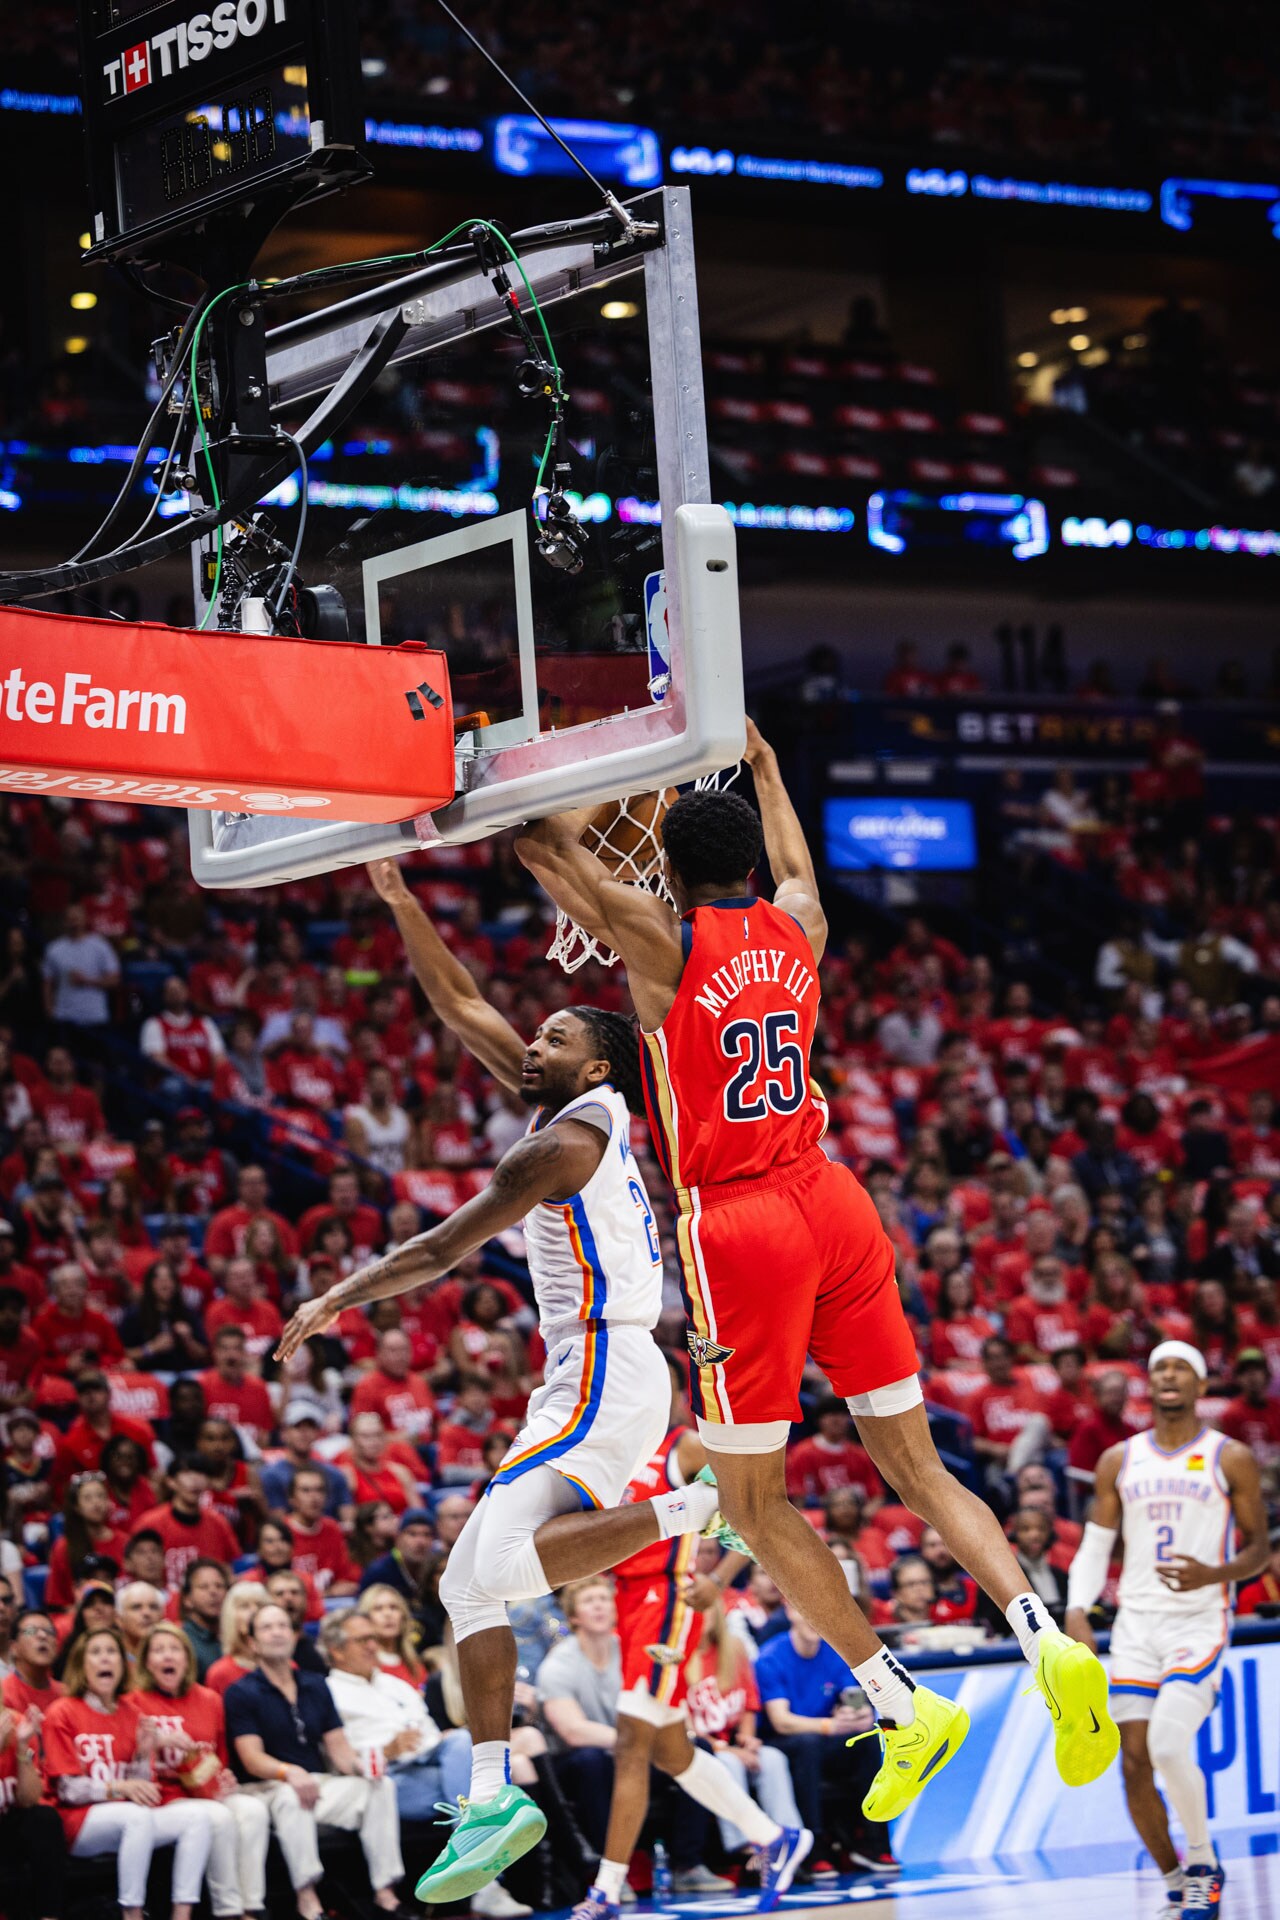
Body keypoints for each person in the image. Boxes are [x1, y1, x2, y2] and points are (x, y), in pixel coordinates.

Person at [515, 719, 1118, 1809]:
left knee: (750, 1500)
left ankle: (899, 1700)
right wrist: (767, 765)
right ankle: (1042, 1638)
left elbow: (548, 854)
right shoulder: (798, 924)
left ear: (670, 867)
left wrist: (503, 775)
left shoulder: (662, 943)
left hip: (741, 1222)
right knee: (918, 1467)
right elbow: (795, 863)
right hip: (832, 1197)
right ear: (745, 858)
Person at [277, 864, 741, 1904]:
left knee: (505, 1567)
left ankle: (698, 1505)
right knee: (463, 1584)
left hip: (605, 1370)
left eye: (558, 1038)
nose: (532, 1044)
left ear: (600, 1065)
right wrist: (401, 901)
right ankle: (490, 1794)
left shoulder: (567, 1142)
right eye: (535, 1037)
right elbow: (464, 1007)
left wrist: (332, 1302)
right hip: (594, 1372)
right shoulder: (572, 1112)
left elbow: (442, 1250)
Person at [574, 1367, 805, 1919]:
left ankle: (605, 1890)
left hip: (665, 1601)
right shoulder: (605, 1453)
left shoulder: (684, 1445)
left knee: (631, 1743)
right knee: (670, 1751)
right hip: (626, 1600)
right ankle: (772, 1836)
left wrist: (719, 1580)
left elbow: (760, 1501)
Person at [1065, 1341, 1270, 1915]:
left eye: (1182, 1368)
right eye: (1159, 1369)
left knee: (1166, 1743)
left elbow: (1259, 1549)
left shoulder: (1230, 1457)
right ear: (1147, 1387)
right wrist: (1078, 1608)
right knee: (1133, 1761)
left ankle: (1204, 1861)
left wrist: (1217, 1573)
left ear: (1202, 1387)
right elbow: (1094, 1546)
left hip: (1200, 1620)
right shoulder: (1119, 1459)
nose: (1169, 1376)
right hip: (1135, 1624)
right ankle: (1177, 1880)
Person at [224, 1603, 406, 1920]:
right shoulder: (241, 1692)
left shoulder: (315, 1684)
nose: (277, 1632)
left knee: (380, 1786)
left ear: (295, 1636)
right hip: (266, 1787)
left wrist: (362, 1767)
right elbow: (251, 1759)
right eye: (267, 1627)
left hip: (316, 1783)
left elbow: (339, 1749)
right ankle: (307, 1897)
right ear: (252, 1642)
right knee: (293, 1795)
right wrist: (288, 1771)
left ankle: (385, 1892)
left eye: (283, 1625)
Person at [43, 1624, 214, 1920]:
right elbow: (67, 1790)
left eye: (112, 1652)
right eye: (96, 1653)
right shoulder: (63, 1711)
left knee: (198, 1818)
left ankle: (181, 1915)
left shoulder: (131, 1712)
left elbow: (143, 1787)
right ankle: (132, 1914)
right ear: (81, 1665)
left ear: (124, 1666)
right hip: (78, 1821)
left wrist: (142, 1753)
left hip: (129, 1817)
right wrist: (119, 1788)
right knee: (136, 1817)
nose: (106, 1659)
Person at [131, 1620, 271, 1920]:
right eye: (158, 1651)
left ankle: (251, 1907)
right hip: (163, 1798)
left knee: (252, 1809)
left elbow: (218, 1758)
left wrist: (226, 1779)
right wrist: (156, 1744)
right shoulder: (133, 1703)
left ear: (187, 1657)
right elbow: (128, 1766)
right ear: (146, 1662)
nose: (167, 1656)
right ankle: (228, 1911)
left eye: (175, 1649)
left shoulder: (210, 1700)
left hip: (203, 1793)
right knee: (218, 1817)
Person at [754, 1612, 893, 1876]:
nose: (810, 1620)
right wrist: (830, 1726)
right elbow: (781, 1721)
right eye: (801, 1612)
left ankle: (874, 1844)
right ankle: (815, 1849)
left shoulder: (833, 1652)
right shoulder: (770, 1657)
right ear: (790, 1612)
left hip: (824, 1736)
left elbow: (851, 1697)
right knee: (809, 1744)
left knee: (868, 1741)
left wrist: (861, 1715)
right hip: (783, 1741)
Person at [683, 1596, 805, 1867]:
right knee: (727, 1764)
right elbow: (684, 1726)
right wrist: (725, 1749)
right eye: (694, 1611)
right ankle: (747, 1849)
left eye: (706, 1610)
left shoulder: (734, 1649)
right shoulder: (677, 1659)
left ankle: (788, 1840)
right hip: (700, 1746)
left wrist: (748, 1740)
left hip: (733, 1741)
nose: (702, 1617)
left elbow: (749, 1703)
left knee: (772, 1759)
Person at [321, 1607, 473, 1819]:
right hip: (384, 1776)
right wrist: (386, 1751)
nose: (373, 1646)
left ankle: (470, 1833)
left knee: (461, 1740)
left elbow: (428, 1730)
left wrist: (438, 1739)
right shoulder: (327, 1692)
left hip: (429, 1758)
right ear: (336, 1650)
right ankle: (476, 1833)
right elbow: (339, 1758)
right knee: (474, 1783)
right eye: (363, 1640)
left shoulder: (396, 1685)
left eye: (374, 1638)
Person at [137, 1455, 240, 1593]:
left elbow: (230, 1569)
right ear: (171, 1481)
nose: (195, 1480)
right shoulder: (148, 1523)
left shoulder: (219, 1523)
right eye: (187, 1473)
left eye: (201, 1474)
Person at [206, 1581, 271, 1697]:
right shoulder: (220, 1673)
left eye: (260, 1605)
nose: (254, 1611)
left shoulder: (287, 1667)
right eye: (245, 1606)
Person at [358, 1584, 427, 1687]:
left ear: (403, 1617)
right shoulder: (361, 1668)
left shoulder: (416, 1667)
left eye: (393, 1607)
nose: (388, 1614)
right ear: (365, 1619)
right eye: (378, 1609)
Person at [3, 1608, 65, 1717]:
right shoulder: (3, 1694)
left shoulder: (67, 1693)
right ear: (14, 1648)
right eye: (30, 1631)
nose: (42, 1635)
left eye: (49, 1631)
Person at [181, 1558, 231, 1681]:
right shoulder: (182, 1641)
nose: (213, 1592)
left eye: (219, 1586)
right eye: (204, 1587)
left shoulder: (236, 1635)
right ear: (187, 1599)